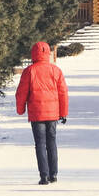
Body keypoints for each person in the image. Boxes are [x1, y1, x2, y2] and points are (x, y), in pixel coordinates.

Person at [14, 41, 68, 184]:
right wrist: (63, 112)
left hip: (37, 113)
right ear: (48, 53)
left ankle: (44, 175)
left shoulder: (29, 71)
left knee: (40, 144)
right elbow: (63, 93)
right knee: (52, 142)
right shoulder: (55, 70)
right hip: (52, 114)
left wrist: (20, 109)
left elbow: (21, 93)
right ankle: (54, 174)